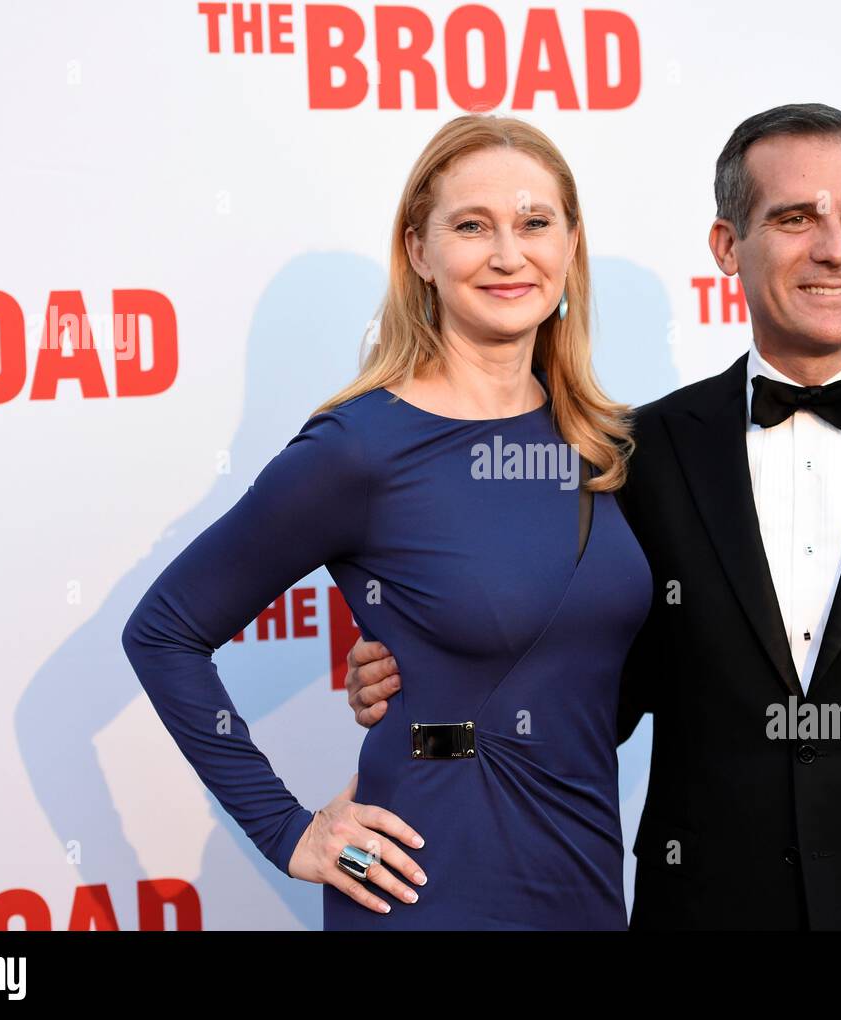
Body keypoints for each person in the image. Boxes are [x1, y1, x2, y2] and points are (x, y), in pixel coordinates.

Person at [345, 103, 841, 930]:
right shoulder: (639, 452)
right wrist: (429, 676)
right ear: (727, 247)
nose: (836, 248)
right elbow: (586, 694)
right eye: (796, 217)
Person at [120, 112, 652, 930]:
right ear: (418, 253)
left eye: (535, 223)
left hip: (583, 880)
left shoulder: (604, 443)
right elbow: (163, 632)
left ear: (571, 247)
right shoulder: (361, 448)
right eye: (472, 226)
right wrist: (286, 829)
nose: (510, 254)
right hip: (426, 884)